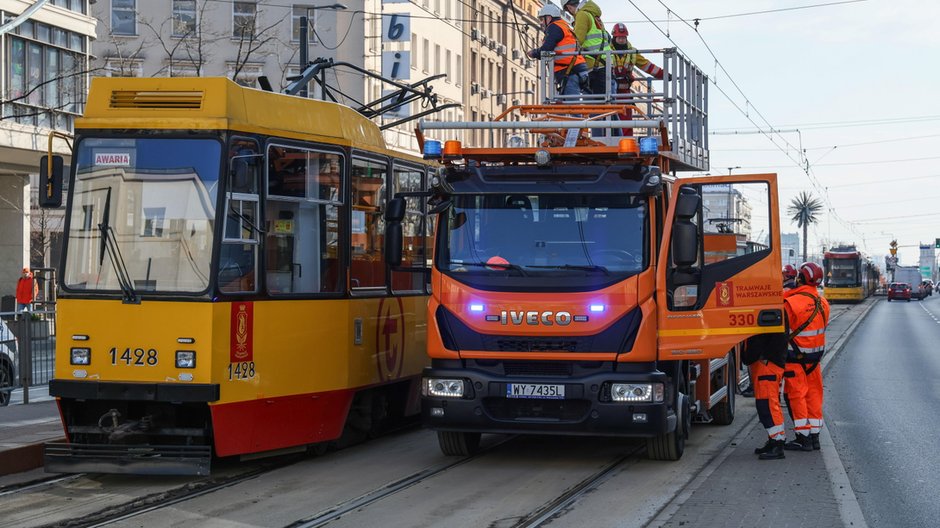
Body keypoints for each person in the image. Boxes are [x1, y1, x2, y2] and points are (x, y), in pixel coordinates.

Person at [782, 261, 830, 451]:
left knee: (797, 395)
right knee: (814, 394)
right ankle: (815, 436)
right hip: (814, 360)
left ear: (800, 278)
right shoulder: (823, 303)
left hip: (795, 358)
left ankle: (803, 437)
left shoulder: (791, 302)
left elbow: (781, 330)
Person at [609, 23, 664, 136]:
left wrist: (663, 74)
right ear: (614, 37)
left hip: (625, 93)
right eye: (619, 37)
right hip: (610, 91)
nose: (621, 40)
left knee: (626, 123)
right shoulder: (607, 50)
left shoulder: (632, 53)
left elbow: (647, 65)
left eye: (623, 37)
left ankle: (626, 141)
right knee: (609, 122)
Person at [528, 3, 588, 98]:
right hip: (576, 68)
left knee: (571, 104)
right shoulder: (563, 26)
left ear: (549, 18)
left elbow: (546, 49)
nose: (541, 23)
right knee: (567, 102)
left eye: (542, 19)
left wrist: (534, 53)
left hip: (570, 70)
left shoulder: (554, 27)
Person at [565, 0, 612, 97]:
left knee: (598, 102)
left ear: (569, 8)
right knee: (605, 100)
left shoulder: (581, 14)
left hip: (595, 64)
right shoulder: (592, 14)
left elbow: (578, 40)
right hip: (604, 62)